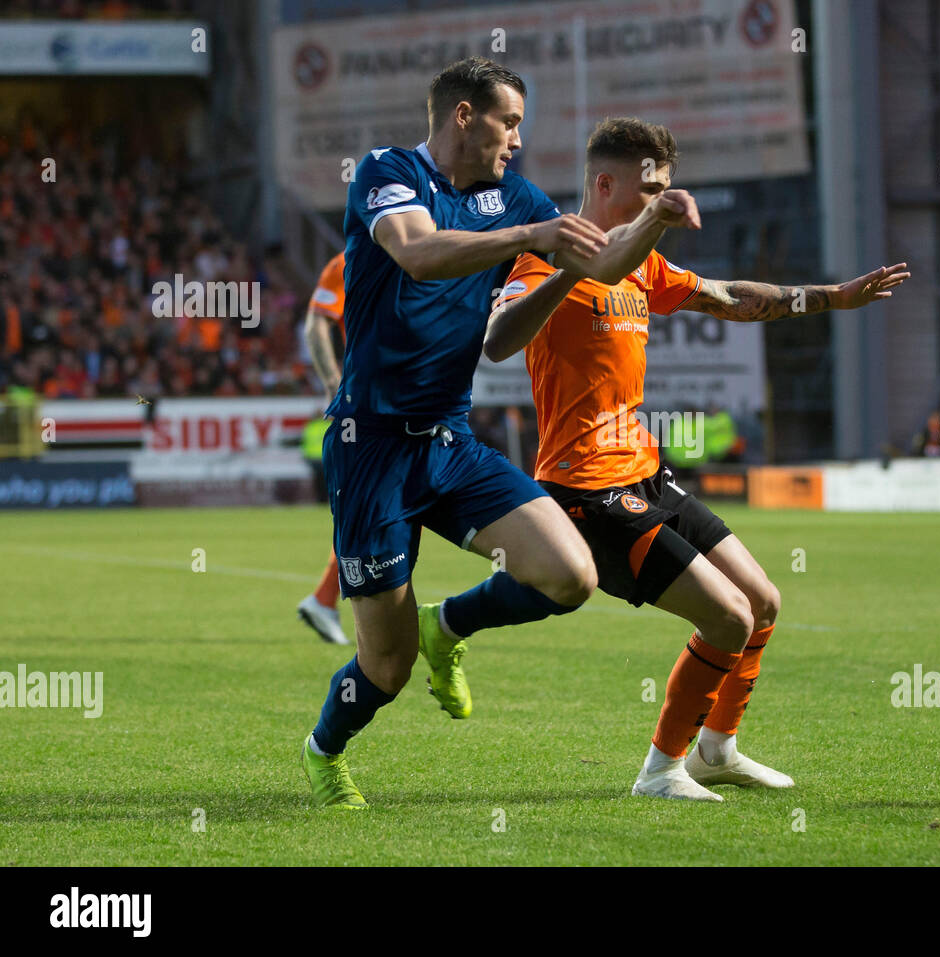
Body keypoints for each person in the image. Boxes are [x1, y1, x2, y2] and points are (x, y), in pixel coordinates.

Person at [299, 60, 701, 809]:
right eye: (508, 121)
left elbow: (603, 260)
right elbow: (418, 254)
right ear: (462, 115)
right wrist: (530, 233)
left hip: (447, 440)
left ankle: (448, 624)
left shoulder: (515, 195)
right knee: (385, 665)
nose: (518, 137)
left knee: (571, 574)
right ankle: (325, 748)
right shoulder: (389, 172)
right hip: (371, 445)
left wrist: (652, 220)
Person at [483, 117, 908, 801]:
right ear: (605, 184)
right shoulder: (544, 257)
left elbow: (730, 296)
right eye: (649, 190)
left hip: (646, 476)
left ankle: (717, 749)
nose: (661, 202)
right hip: (585, 492)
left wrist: (833, 297)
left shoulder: (645, 264)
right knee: (728, 618)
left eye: (667, 191)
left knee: (763, 602)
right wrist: (576, 267)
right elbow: (500, 339)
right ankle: (660, 770)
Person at [296, 252, 350, 645]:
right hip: (372, 404)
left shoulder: (438, 243)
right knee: (376, 509)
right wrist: (333, 380)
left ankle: (324, 599)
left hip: (420, 403)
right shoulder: (348, 261)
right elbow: (317, 321)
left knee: (382, 509)